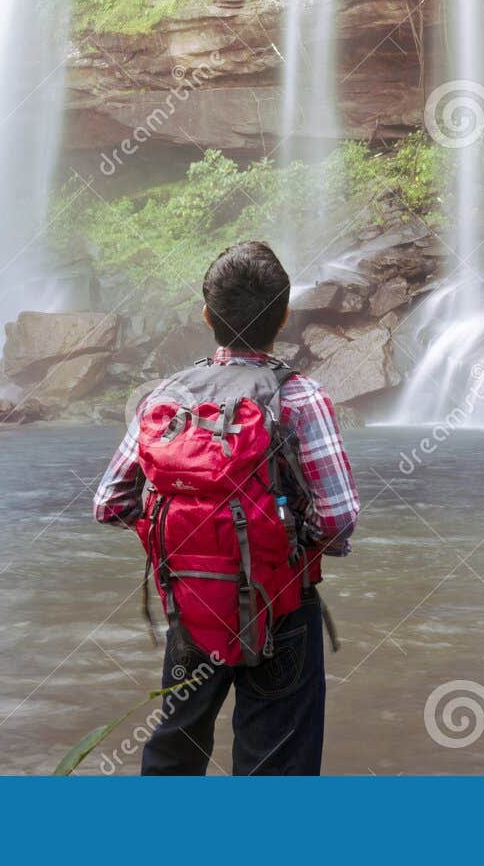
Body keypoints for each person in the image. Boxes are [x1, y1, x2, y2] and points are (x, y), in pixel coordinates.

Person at [92, 240, 359, 775]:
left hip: (191, 607)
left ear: (207, 315)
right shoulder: (301, 397)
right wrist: (281, 539)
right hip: (283, 607)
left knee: (175, 755)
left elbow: (108, 503)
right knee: (274, 765)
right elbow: (336, 518)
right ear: (284, 316)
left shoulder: (167, 396)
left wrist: (185, 538)